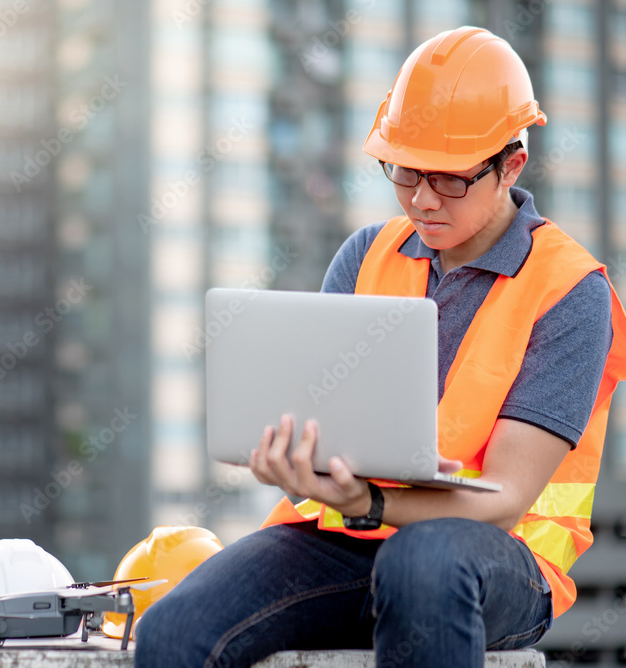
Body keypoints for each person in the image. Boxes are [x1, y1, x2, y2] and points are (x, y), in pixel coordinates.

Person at [134, 26, 626, 668]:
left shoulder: (570, 291)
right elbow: (327, 419)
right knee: (175, 631)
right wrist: (296, 460)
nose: (421, 199)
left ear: (512, 165)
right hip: (353, 537)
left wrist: (369, 502)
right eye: (404, 171)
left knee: (422, 563)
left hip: (500, 561)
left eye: (448, 179)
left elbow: (504, 498)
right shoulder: (368, 255)